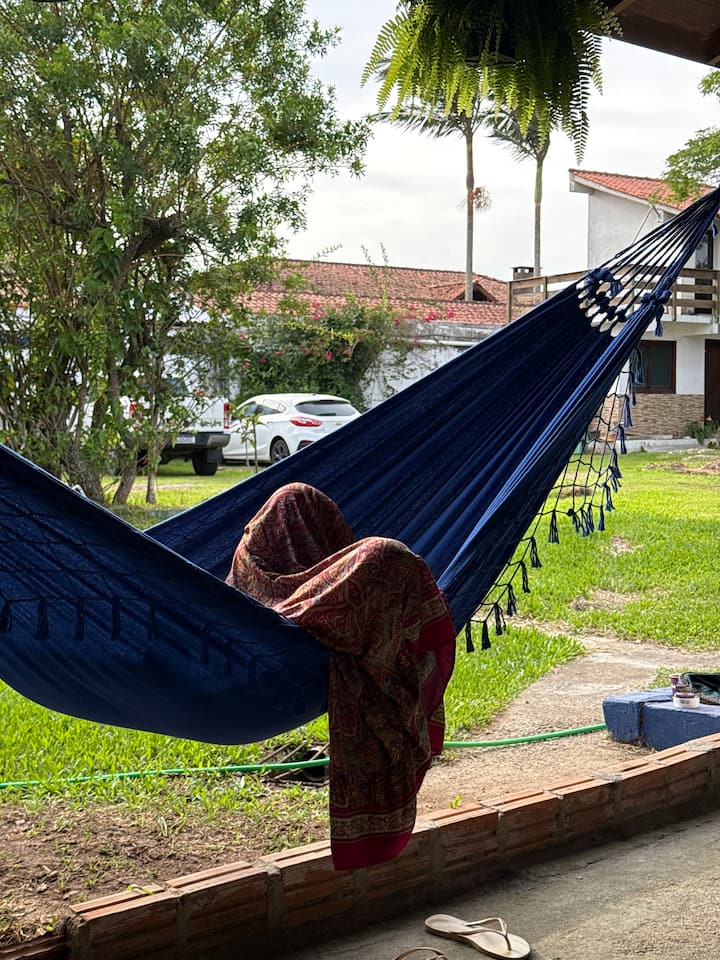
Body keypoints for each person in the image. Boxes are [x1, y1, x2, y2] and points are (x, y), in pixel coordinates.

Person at [226, 482, 457, 870]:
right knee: (385, 557)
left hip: (358, 621)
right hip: (343, 618)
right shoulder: (256, 575)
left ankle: (389, 592)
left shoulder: (326, 570)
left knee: (386, 559)